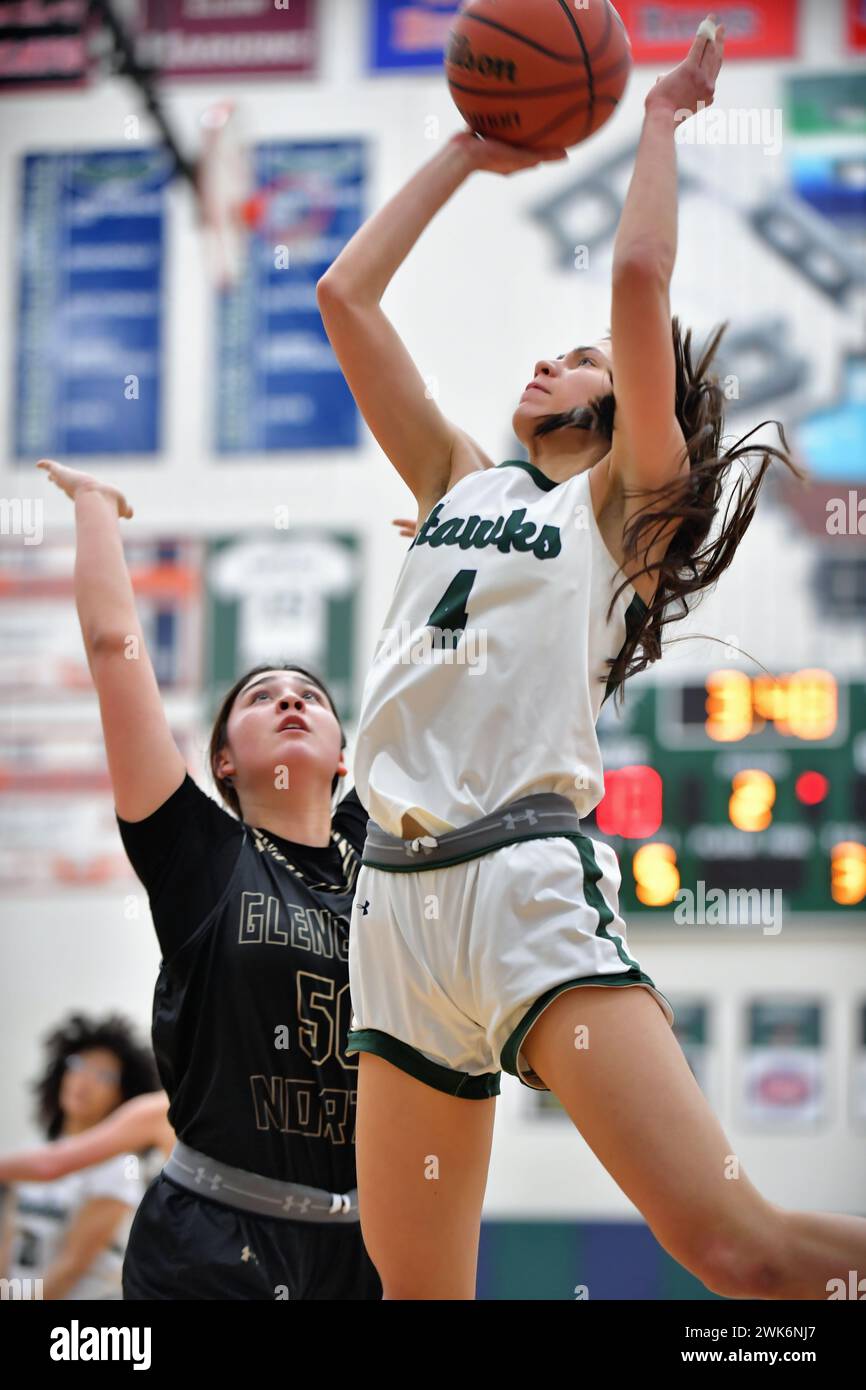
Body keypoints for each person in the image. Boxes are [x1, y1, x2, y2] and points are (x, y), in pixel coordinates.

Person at [316, 16, 866, 1300]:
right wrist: (463, 149)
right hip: (391, 904)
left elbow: (634, 283)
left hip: (519, 883)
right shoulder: (454, 475)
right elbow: (344, 297)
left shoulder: (625, 503)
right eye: (551, 348)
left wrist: (660, 123)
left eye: (575, 359)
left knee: (738, 1248)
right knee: (416, 1298)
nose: (548, 358)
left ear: (619, 403)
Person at [34, 458, 382, 1302]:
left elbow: (455, 699)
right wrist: (93, 510)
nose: (292, 700)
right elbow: (115, 653)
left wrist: (458, 543)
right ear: (224, 760)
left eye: (309, 694)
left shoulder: (380, 853)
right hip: (212, 1244)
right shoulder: (200, 854)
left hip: (366, 1245)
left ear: (343, 755)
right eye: (263, 696)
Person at [0, 1013, 155, 1299]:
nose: (84, 1081)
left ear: (124, 1094)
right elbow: (9, 1240)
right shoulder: (31, 1150)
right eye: (78, 1064)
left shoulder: (119, 1167)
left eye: (104, 1075)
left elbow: (71, 1266)